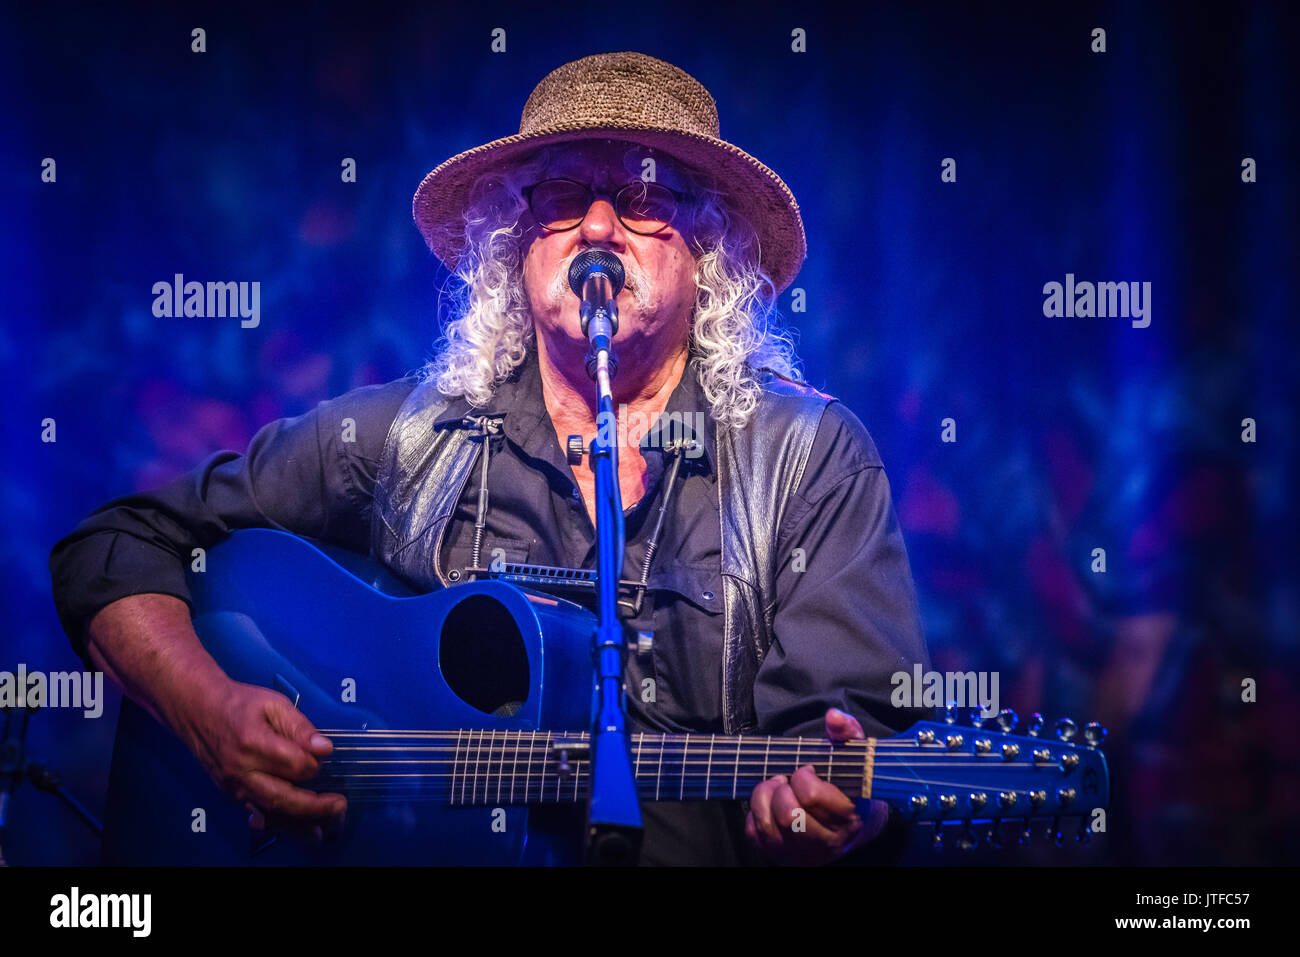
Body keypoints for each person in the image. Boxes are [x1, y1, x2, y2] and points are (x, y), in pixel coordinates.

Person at [49, 51, 931, 865]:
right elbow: (115, 544)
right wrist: (208, 710)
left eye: (643, 197)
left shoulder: (810, 461)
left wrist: (829, 815)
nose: (595, 226)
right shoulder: (405, 438)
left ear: (711, 252)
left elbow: (861, 754)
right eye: (559, 196)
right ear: (516, 247)